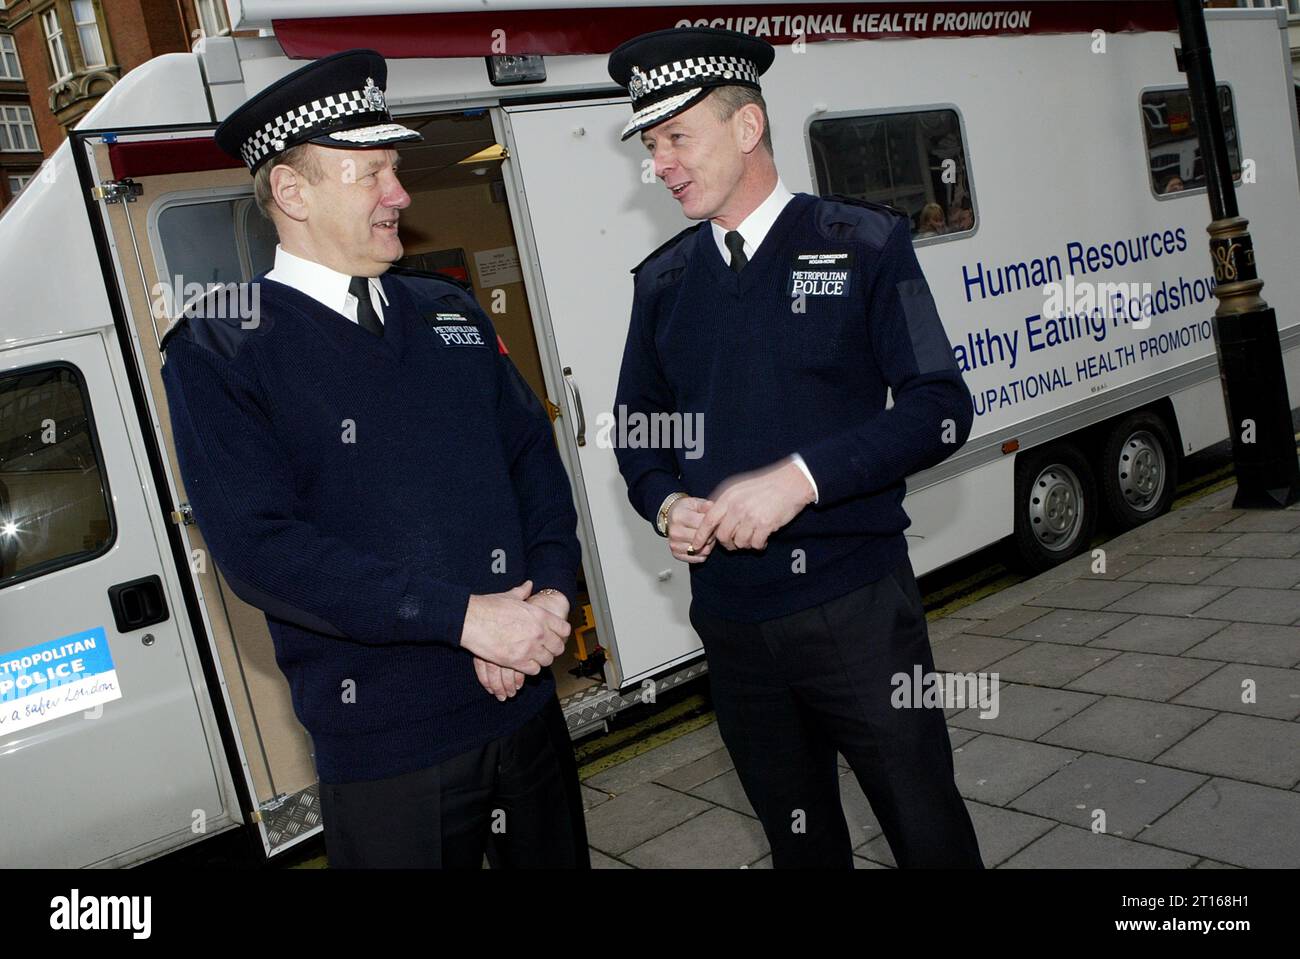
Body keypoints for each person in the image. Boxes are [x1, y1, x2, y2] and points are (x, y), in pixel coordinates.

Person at [160, 49, 588, 869]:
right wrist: (467, 620)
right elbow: (262, 549)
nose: (401, 194)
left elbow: (535, 459)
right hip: (391, 749)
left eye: (395, 169)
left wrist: (547, 604)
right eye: (371, 173)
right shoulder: (221, 348)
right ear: (292, 192)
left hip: (525, 707)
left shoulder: (447, 311)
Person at [607, 27, 983, 869]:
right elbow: (638, 431)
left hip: (856, 610)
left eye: (676, 137)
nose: (659, 163)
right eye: (651, 144)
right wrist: (667, 501)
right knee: (800, 844)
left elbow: (941, 407)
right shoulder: (662, 283)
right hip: (733, 627)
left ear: (747, 128)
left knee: (925, 826)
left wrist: (801, 481)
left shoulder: (863, 243)